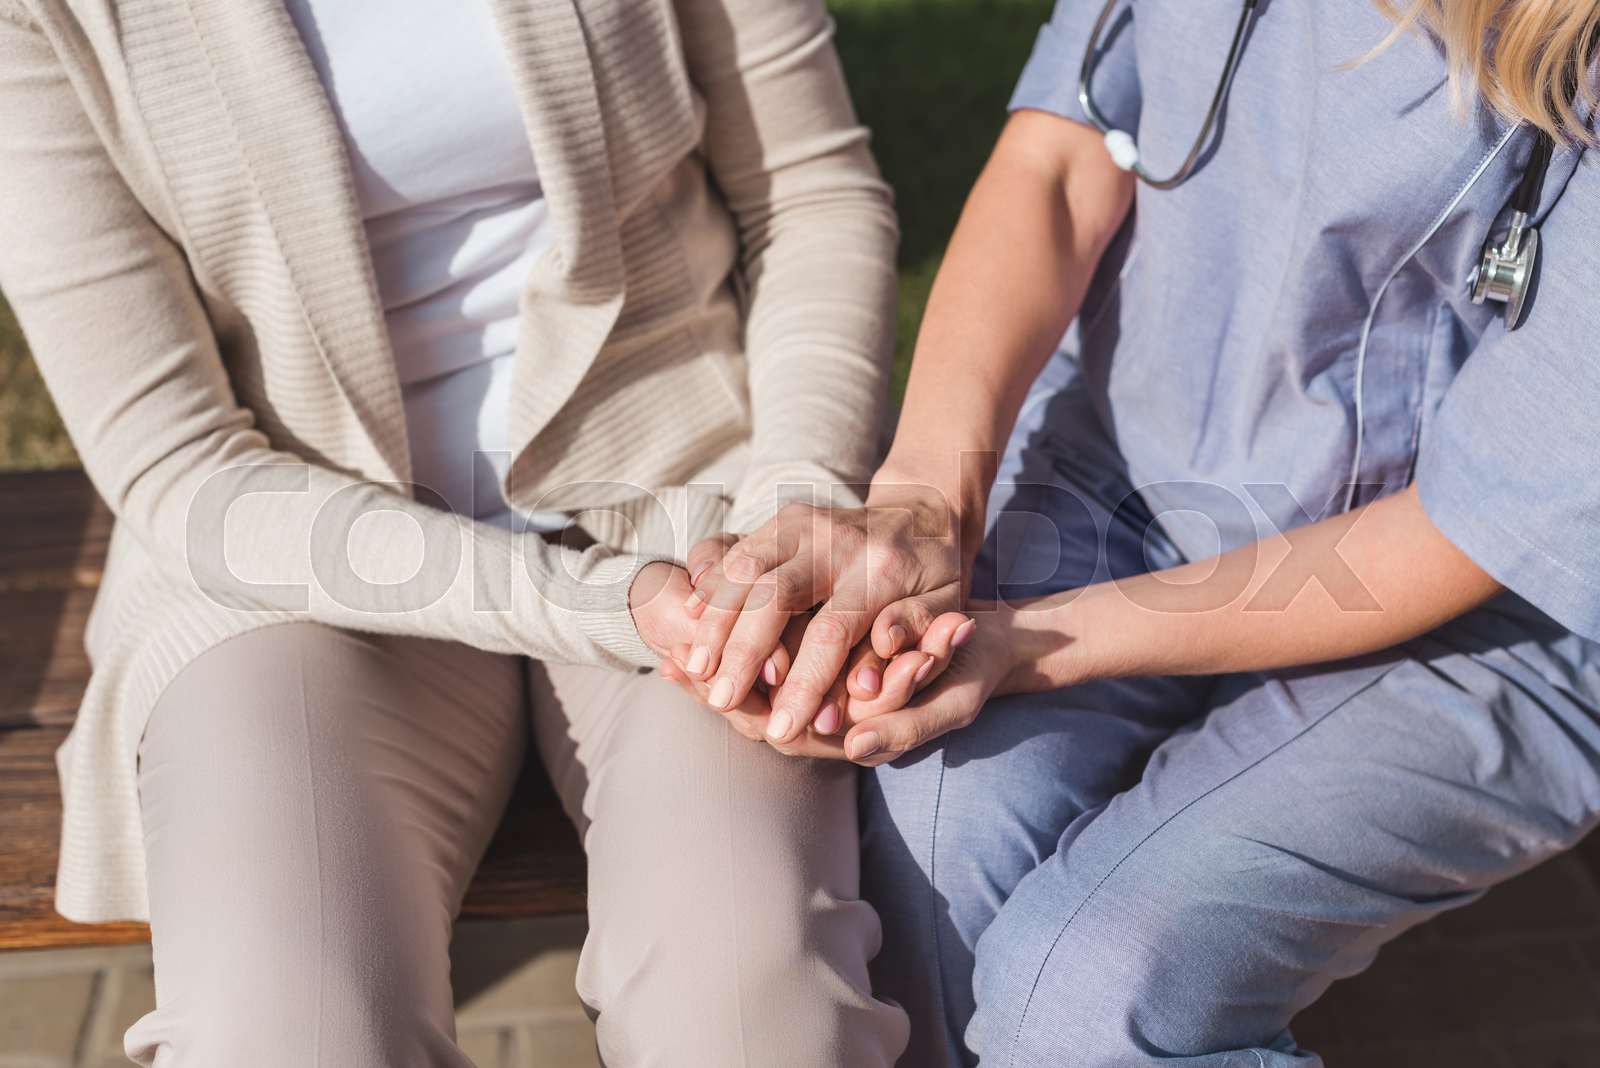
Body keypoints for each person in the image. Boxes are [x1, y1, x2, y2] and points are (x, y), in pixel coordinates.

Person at [671, 1, 1600, 1063]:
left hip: (1479, 612)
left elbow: (1465, 527)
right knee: (931, 838)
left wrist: (1028, 646)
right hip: (1127, 473)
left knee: (1091, 990)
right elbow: (1058, 166)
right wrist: (920, 507)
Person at [0, 0, 912, 1063]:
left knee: (759, 1015)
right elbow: (180, 465)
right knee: (286, 1032)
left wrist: (791, 513)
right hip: (294, 565)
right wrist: (597, 604)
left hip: (697, 515)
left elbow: (810, 192)